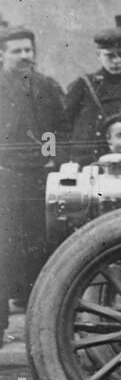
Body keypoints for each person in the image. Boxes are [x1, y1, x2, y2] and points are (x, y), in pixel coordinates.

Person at [0, 27, 66, 341]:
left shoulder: (46, 86)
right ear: (2, 54)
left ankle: (41, 327)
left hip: (39, 178)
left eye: (29, 50)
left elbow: (55, 127)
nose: (25, 56)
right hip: (4, 178)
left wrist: (50, 157)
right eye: (17, 51)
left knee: (40, 249)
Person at [64, 27, 121, 164]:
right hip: (87, 163)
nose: (117, 60)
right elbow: (64, 125)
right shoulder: (84, 85)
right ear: (98, 54)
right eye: (110, 56)